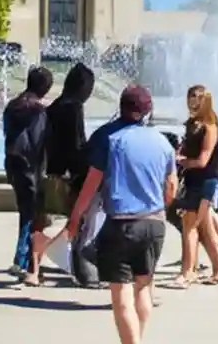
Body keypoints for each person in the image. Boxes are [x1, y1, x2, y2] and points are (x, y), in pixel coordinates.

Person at [68, 86, 177, 344]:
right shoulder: (163, 142)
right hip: (154, 223)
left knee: (121, 296)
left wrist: (75, 218)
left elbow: (92, 184)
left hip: (120, 224)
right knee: (144, 286)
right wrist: (161, 207)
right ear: (149, 110)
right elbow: (171, 185)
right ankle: (138, 338)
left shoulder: (111, 139)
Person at [45, 62, 98, 286]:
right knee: (81, 220)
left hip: (54, 169)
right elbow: (77, 143)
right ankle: (82, 268)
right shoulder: (74, 107)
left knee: (74, 220)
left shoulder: (55, 105)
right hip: (72, 172)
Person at [174, 85, 218, 287]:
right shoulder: (192, 124)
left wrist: (181, 161)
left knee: (198, 227)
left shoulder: (210, 126)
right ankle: (217, 268)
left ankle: (194, 271)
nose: (192, 100)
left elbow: (203, 160)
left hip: (206, 181)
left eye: (197, 97)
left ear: (206, 100)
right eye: (190, 96)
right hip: (193, 180)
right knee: (196, 226)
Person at [3, 66, 54, 277]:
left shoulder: (12, 106)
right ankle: (21, 261)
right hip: (30, 167)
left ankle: (26, 260)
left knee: (26, 211)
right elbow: (41, 140)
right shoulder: (38, 111)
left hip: (13, 163)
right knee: (30, 213)